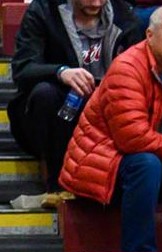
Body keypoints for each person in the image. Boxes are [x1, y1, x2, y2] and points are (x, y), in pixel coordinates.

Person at [59, 6, 162, 252]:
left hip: (157, 166)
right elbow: (133, 139)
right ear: (149, 35)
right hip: (105, 169)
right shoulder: (126, 68)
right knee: (146, 164)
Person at [9, 0, 139, 191]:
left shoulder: (124, 13)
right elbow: (23, 69)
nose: (96, 3)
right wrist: (60, 72)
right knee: (45, 94)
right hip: (55, 108)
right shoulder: (43, 10)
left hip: (104, 106)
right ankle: (55, 180)